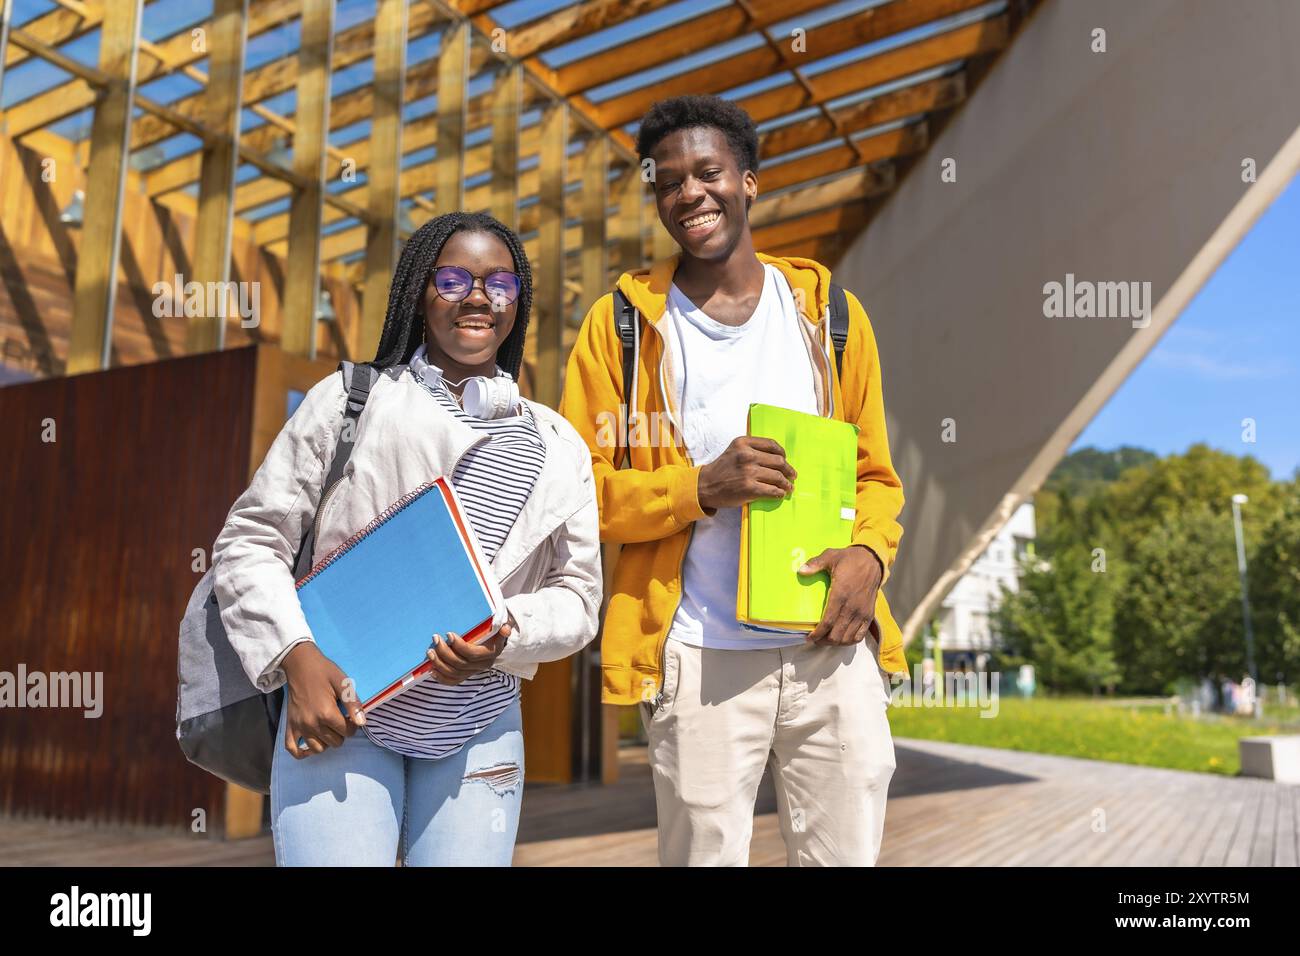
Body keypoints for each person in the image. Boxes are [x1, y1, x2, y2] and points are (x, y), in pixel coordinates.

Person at [561, 95, 907, 866]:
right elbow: (577, 494)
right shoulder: (620, 326)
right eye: (669, 182)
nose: (689, 194)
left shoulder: (829, 315)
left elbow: (875, 476)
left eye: (708, 172)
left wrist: (872, 557)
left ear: (748, 181)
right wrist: (698, 489)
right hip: (697, 655)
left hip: (830, 646)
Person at [212, 212, 602, 866]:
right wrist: (296, 658)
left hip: (480, 727)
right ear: (419, 294)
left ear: (518, 302)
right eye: (453, 279)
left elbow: (579, 596)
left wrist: (505, 629)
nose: (478, 297)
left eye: (500, 283)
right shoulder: (348, 401)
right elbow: (251, 542)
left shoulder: (556, 442)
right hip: (342, 712)